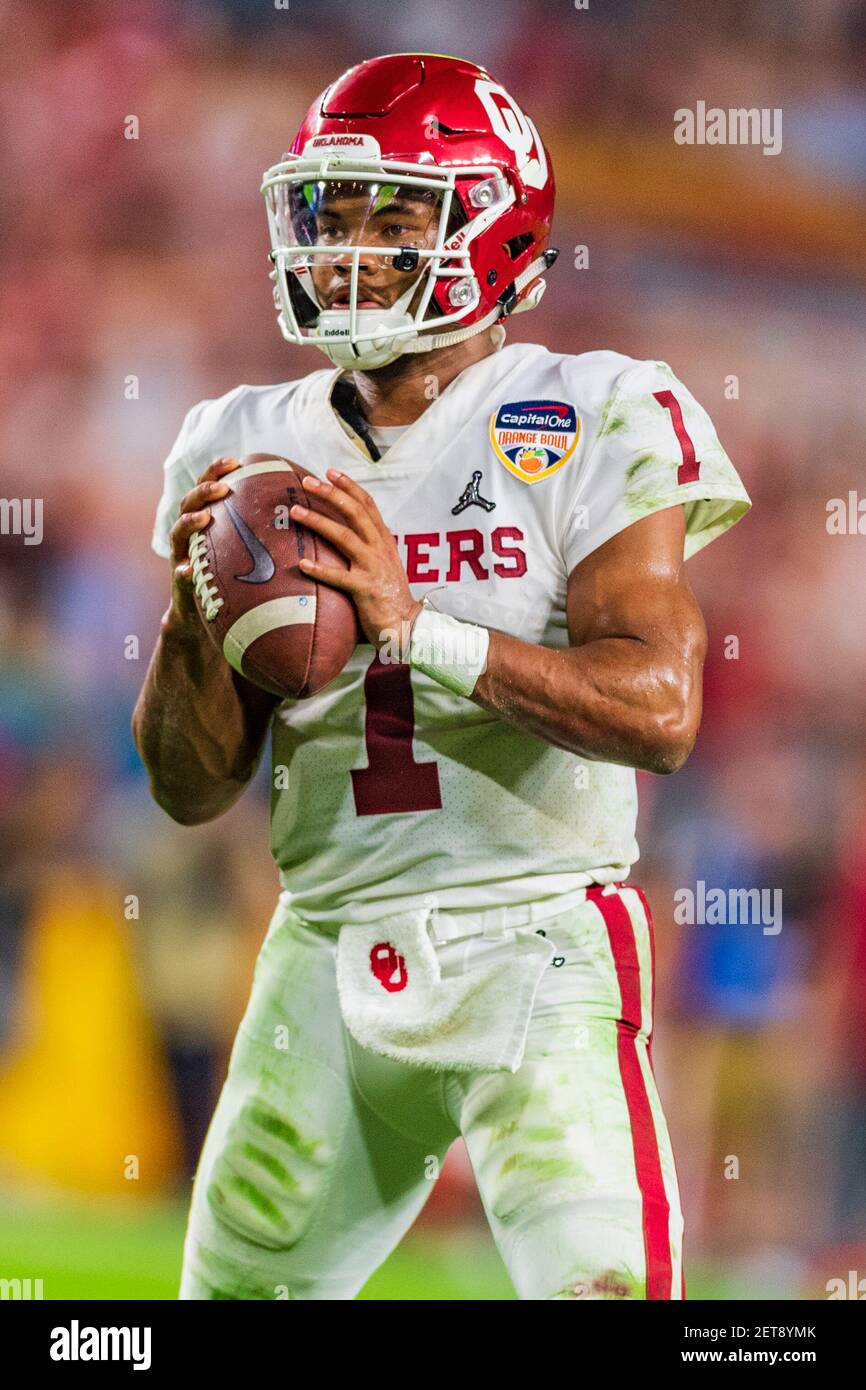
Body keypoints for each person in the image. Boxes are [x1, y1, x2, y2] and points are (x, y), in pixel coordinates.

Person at [133, 53, 751, 1300]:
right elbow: (190, 790)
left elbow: (661, 711)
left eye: (393, 215)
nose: (349, 249)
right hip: (321, 950)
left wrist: (416, 628)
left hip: (539, 949)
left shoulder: (592, 408)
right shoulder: (241, 444)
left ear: (492, 225)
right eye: (332, 214)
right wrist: (196, 622)